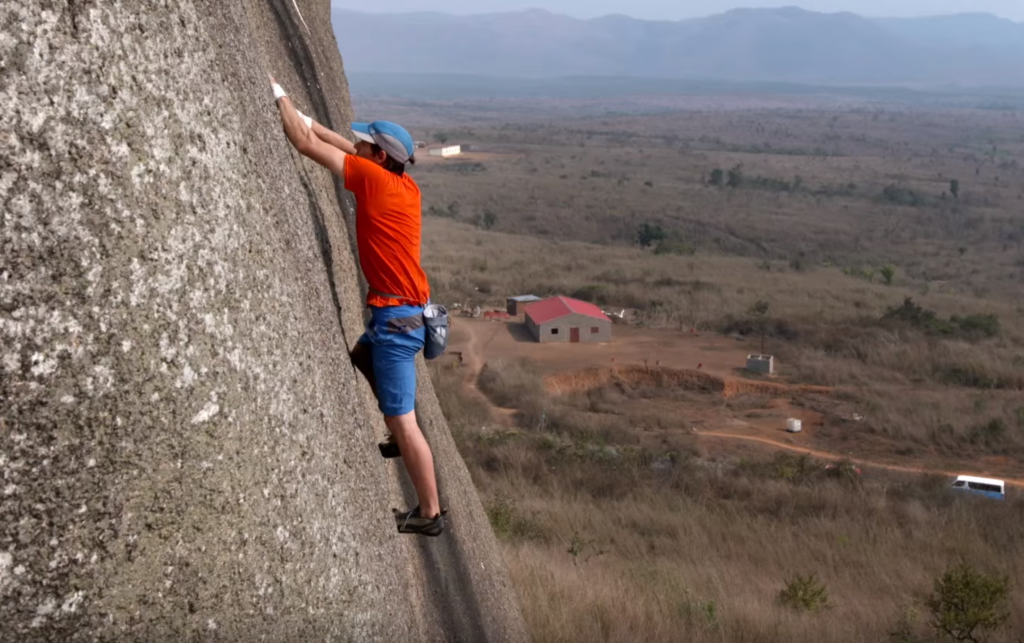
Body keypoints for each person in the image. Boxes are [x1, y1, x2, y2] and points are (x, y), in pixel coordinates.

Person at [268, 76, 444, 537]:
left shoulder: (373, 180)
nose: (357, 148)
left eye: (366, 146)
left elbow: (305, 142)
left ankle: (430, 514)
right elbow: (339, 142)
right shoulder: (403, 185)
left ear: (379, 158)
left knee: (405, 421)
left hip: (397, 320)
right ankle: (395, 435)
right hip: (407, 314)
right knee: (362, 355)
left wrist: (277, 95)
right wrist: (309, 116)